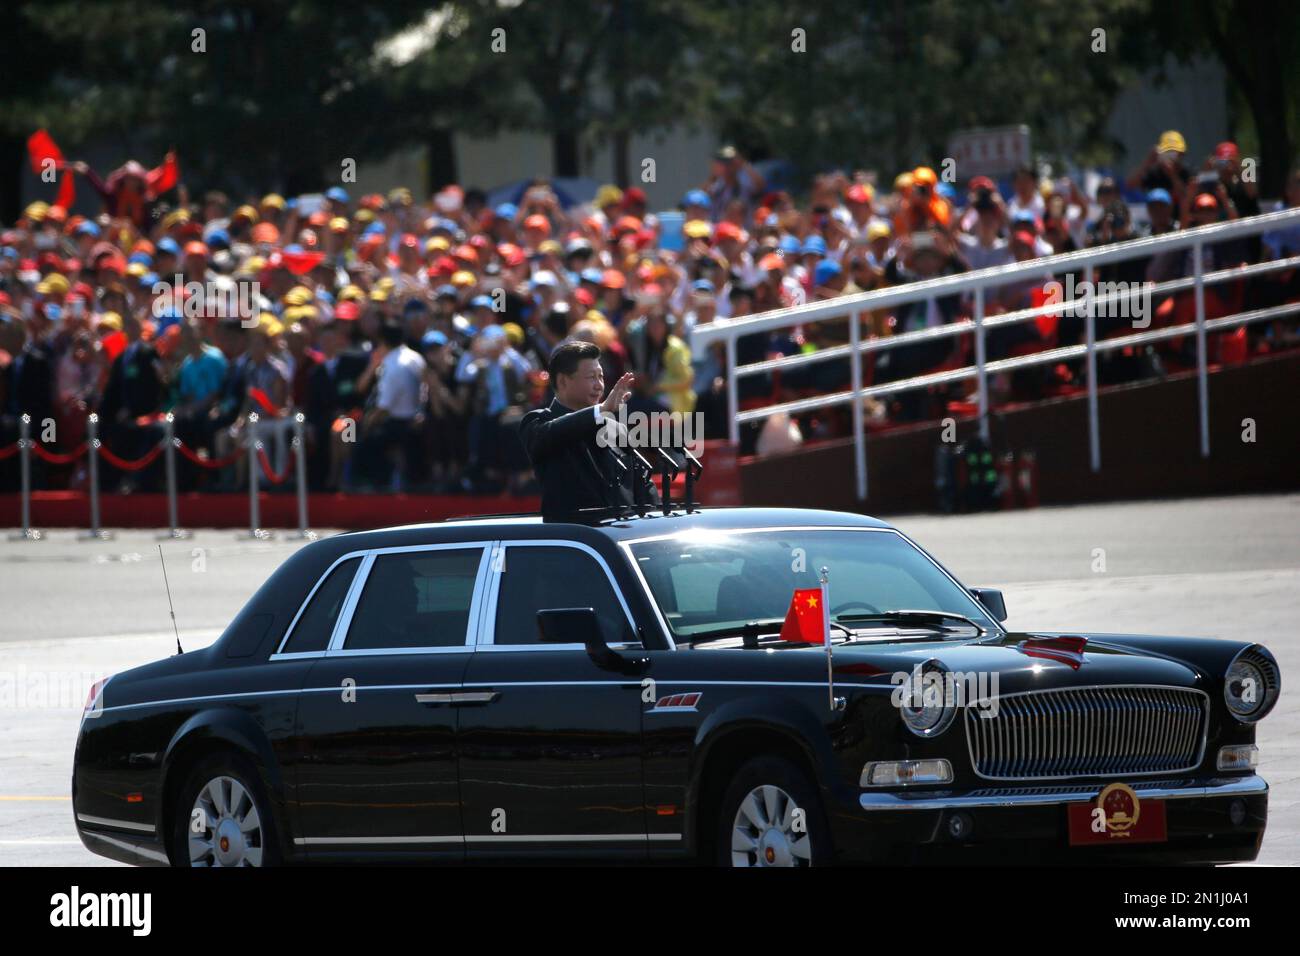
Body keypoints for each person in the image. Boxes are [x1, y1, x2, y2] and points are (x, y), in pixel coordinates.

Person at [519, 340, 657, 516]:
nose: (599, 385)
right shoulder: (539, 422)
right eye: (591, 377)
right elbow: (555, 433)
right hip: (576, 539)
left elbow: (643, 486)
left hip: (618, 536)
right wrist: (600, 411)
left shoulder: (616, 429)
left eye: (601, 377)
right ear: (562, 381)